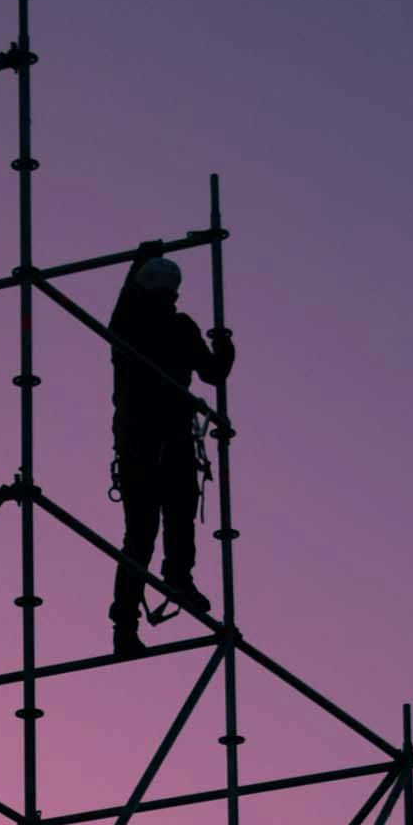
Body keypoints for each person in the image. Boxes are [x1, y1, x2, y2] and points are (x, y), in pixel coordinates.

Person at [106, 240, 234, 659]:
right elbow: (215, 372)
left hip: (145, 444)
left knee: (143, 535)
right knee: (169, 520)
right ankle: (175, 580)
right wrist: (225, 343)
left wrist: (138, 262)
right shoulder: (177, 327)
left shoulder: (132, 324)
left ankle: (127, 624)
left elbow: (123, 309)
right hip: (162, 443)